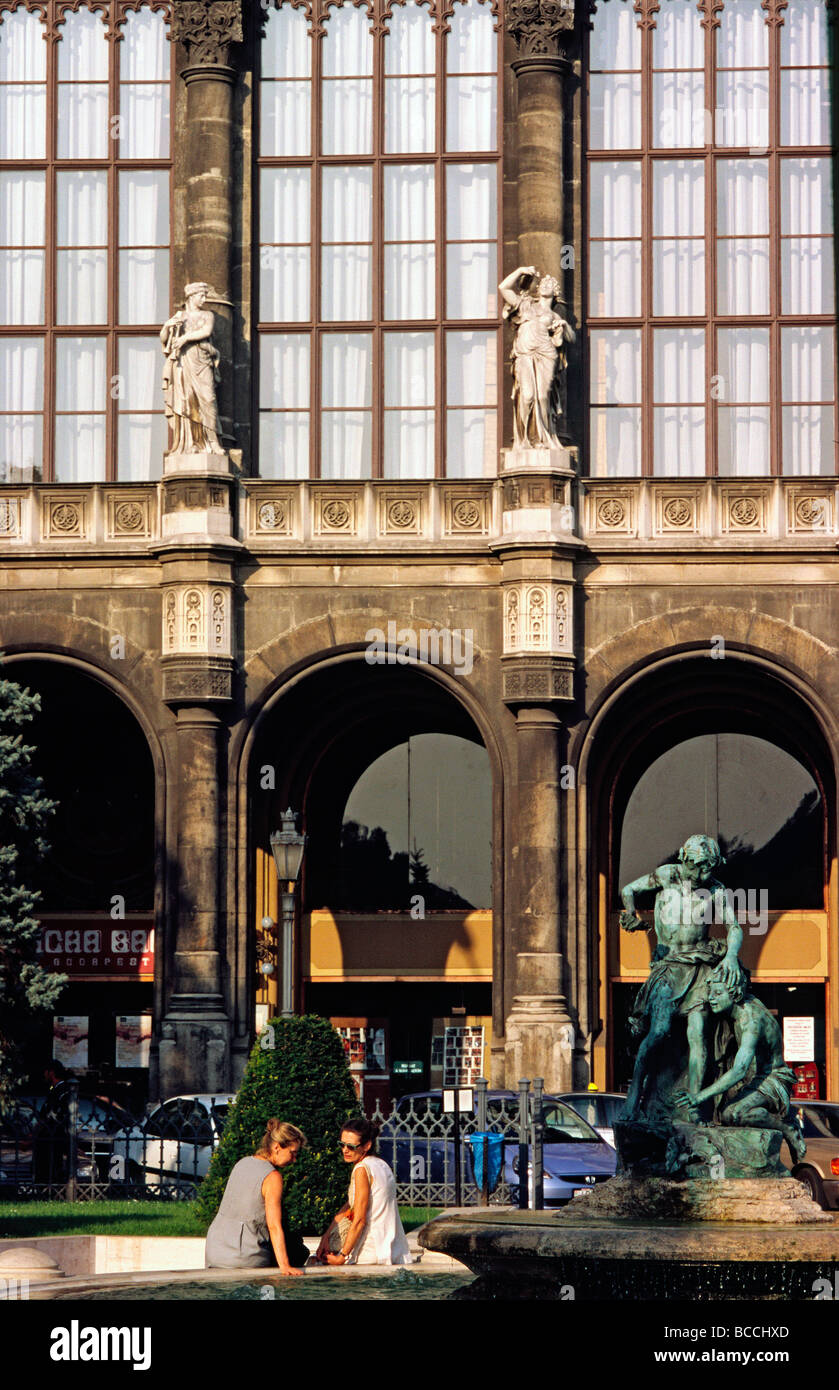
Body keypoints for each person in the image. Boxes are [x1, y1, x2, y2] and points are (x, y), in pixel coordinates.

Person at [619, 834, 743, 1121]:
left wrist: (732, 956)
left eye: (709, 868)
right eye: (698, 867)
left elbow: (734, 927)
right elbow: (628, 890)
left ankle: (693, 1107)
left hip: (699, 965)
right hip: (669, 964)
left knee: (698, 1034)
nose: (703, 874)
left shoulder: (715, 890)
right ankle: (634, 1096)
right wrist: (630, 914)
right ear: (684, 859)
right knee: (659, 1030)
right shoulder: (667, 875)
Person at [675, 967, 806, 1161]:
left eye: (718, 993)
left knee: (734, 1113)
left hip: (772, 1078)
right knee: (724, 1115)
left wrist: (698, 1097)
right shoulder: (742, 1009)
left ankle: (787, 1126)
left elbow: (739, 1070)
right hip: (754, 1077)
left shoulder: (750, 1020)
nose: (712, 998)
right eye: (711, 993)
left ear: (735, 993)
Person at [205, 1119, 308, 1273]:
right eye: (292, 1153)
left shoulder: (242, 1162)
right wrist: (285, 1266)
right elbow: (274, 1225)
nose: (295, 1159)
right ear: (277, 1147)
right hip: (245, 1255)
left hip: (215, 1249)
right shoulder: (273, 1177)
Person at [315, 1117, 411, 1267]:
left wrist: (342, 1256)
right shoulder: (381, 1164)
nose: (345, 1150)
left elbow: (359, 1219)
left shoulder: (361, 1169)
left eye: (351, 1146)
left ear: (366, 1145)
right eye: (342, 1144)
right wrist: (326, 1236)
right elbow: (351, 1204)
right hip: (394, 1248)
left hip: (370, 1251)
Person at [498, 265, 575, 449]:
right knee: (527, 396)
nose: (547, 284)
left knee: (543, 397)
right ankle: (524, 441)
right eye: (544, 283)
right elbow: (503, 288)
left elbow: (570, 338)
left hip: (546, 354)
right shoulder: (525, 305)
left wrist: (564, 327)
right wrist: (520, 271)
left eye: (551, 283)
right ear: (538, 288)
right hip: (525, 353)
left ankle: (543, 439)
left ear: (555, 292)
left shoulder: (555, 315)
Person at [160, 282, 225, 454]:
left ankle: (212, 442)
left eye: (205, 295)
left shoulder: (207, 315)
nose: (204, 299)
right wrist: (167, 326)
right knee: (188, 401)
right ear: (191, 297)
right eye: (200, 296)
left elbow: (206, 332)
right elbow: (164, 338)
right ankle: (191, 443)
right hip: (183, 362)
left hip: (201, 360)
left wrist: (186, 338)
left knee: (208, 399)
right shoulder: (180, 315)